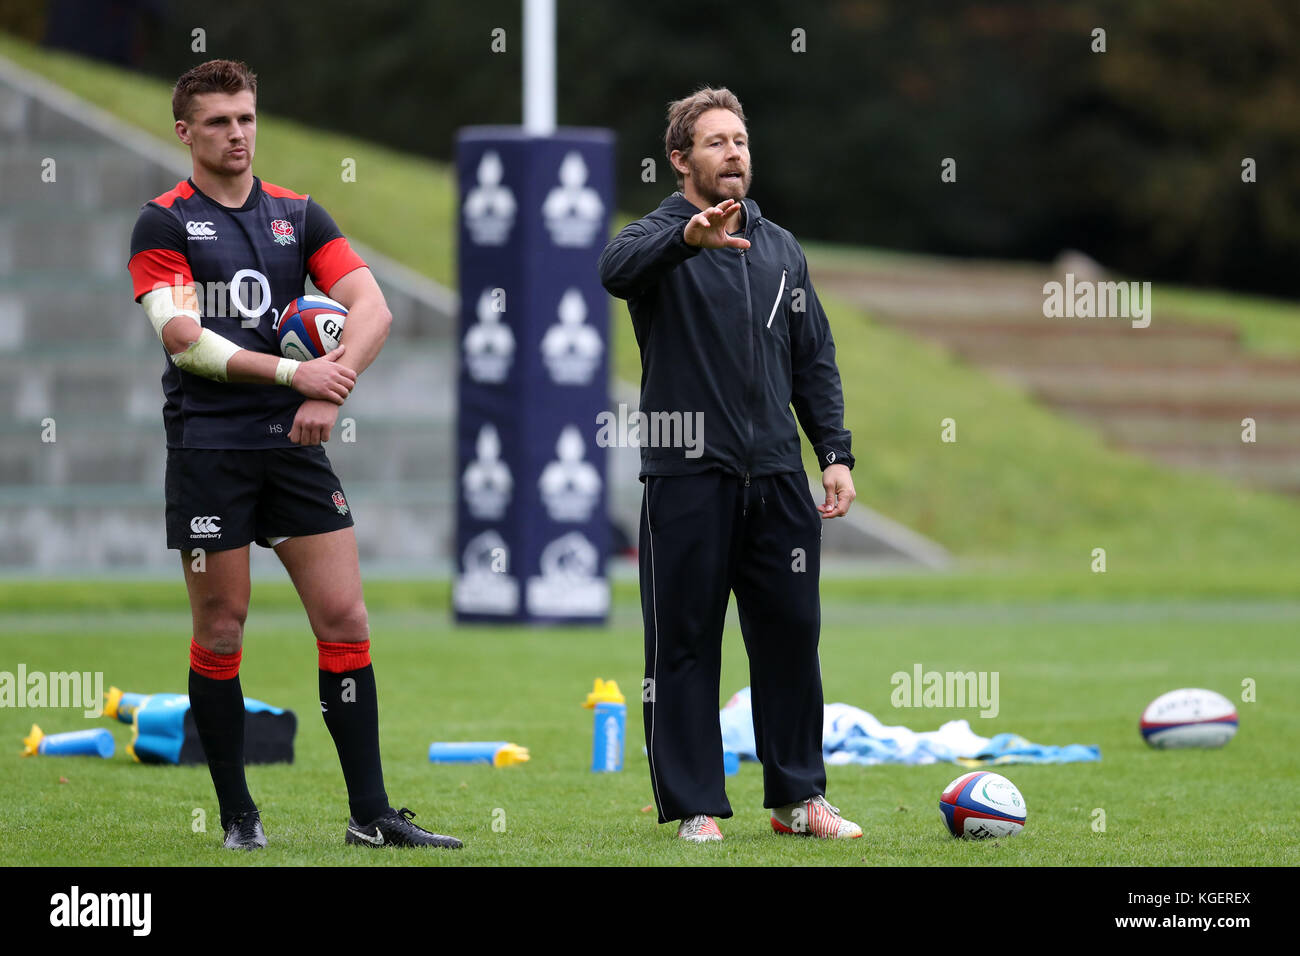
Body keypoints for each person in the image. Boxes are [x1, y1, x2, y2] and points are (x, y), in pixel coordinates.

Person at [126, 59, 460, 850]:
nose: (237, 133)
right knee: (223, 630)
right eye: (218, 122)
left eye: (246, 117)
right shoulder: (164, 223)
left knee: (345, 617)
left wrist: (327, 392)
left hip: (294, 448)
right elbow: (183, 340)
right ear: (186, 133)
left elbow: (372, 306)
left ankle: (371, 817)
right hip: (210, 450)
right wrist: (291, 371)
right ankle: (240, 816)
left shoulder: (298, 214)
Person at [598, 87, 861, 842]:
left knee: (790, 637)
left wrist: (833, 455)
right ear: (680, 159)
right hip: (688, 474)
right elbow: (614, 271)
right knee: (682, 644)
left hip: (777, 476)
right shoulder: (654, 238)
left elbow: (814, 361)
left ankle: (798, 799)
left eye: (740, 140)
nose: (734, 153)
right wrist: (688, 239)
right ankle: (694, 807)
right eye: (715, 142)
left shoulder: (782, 250)